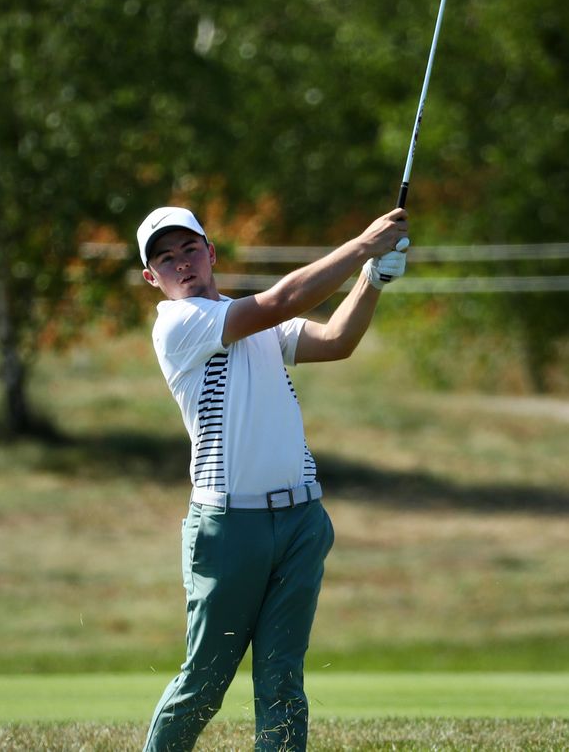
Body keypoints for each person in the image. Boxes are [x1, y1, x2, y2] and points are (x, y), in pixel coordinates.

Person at [135, 204, 409, 752]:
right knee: (205, 683)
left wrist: (372, 280)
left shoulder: (252, 318)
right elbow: (282, 300)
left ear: (210, 253)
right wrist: (362, 246)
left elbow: (336, 341)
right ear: (152, 278)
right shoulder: (180, 326)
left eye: (190, 249)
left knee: (282, 680)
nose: (181, 264)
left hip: (301, 520)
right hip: (228, 527)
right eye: (166, 259)